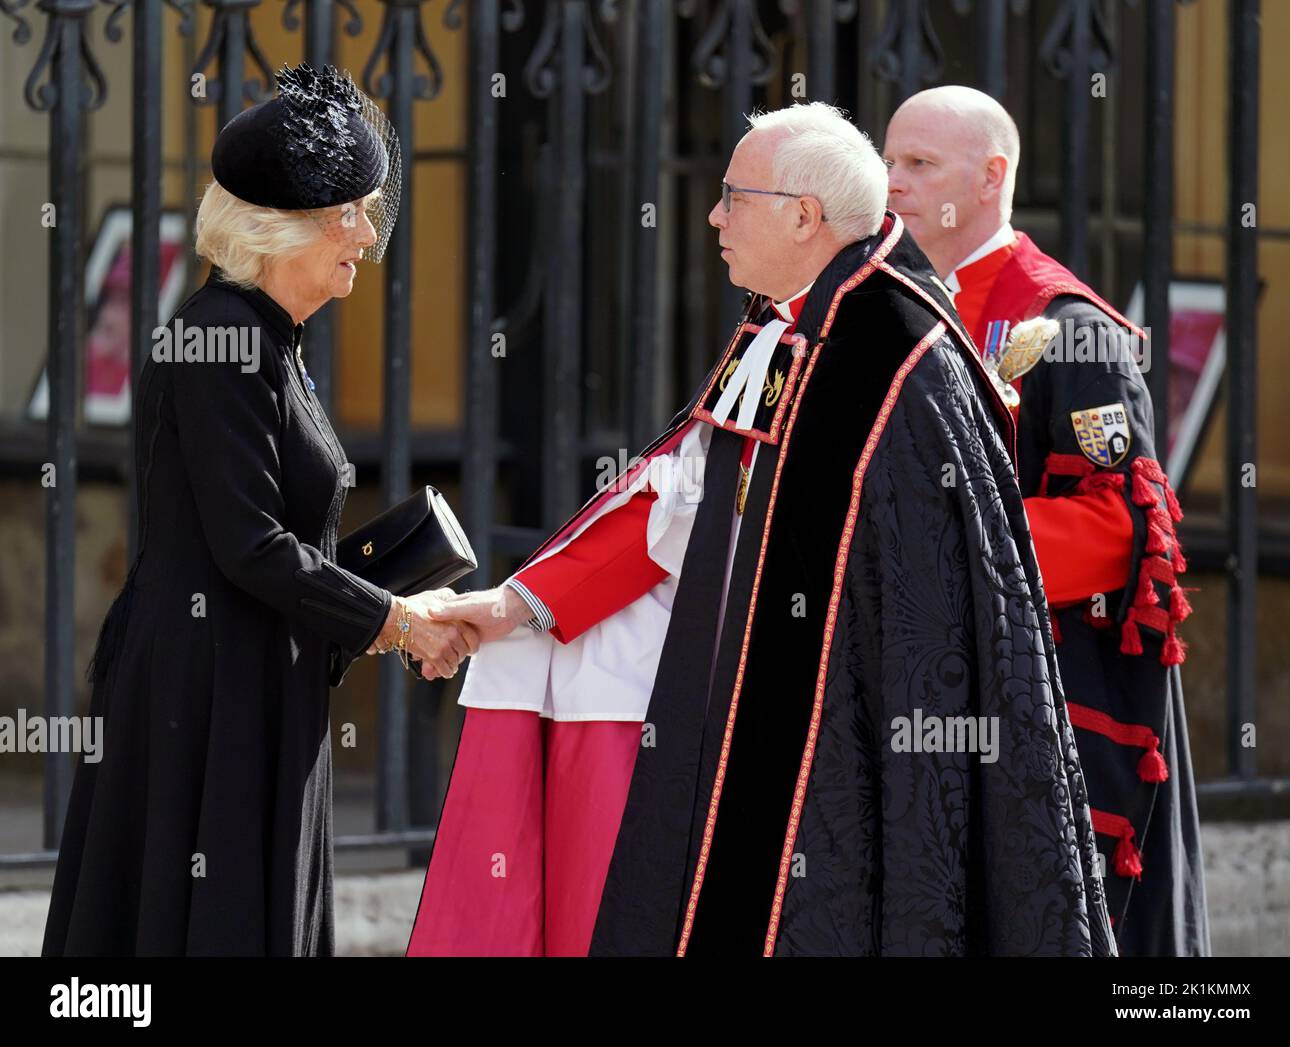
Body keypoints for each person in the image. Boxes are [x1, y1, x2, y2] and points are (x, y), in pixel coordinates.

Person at [406, 102, 1115, 957]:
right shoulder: (778, 324)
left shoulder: (900, 352)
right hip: (739, 726)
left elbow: (933, 608)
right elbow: (677, 499)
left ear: (803, 216)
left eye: (733, 197)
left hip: (846, 755)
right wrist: (518, 605)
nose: (713, 217)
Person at [42, 64, 477, 957]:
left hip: (256, 680)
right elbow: (250, 545)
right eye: (341, 216)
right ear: (275, 235)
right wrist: (394, 621)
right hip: (208, 695)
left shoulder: (272, 338)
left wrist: (391, 598)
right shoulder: (218, 338)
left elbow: (277, 538)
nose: (363, 231)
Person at [883, 84, 1210, 956]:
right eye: (888, 162)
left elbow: (1121, 530)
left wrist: (936, 543)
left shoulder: (1067, 326)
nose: (892, 185)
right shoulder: (898, 304)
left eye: (918, 164)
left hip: (1056, 695)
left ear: (990, 177)